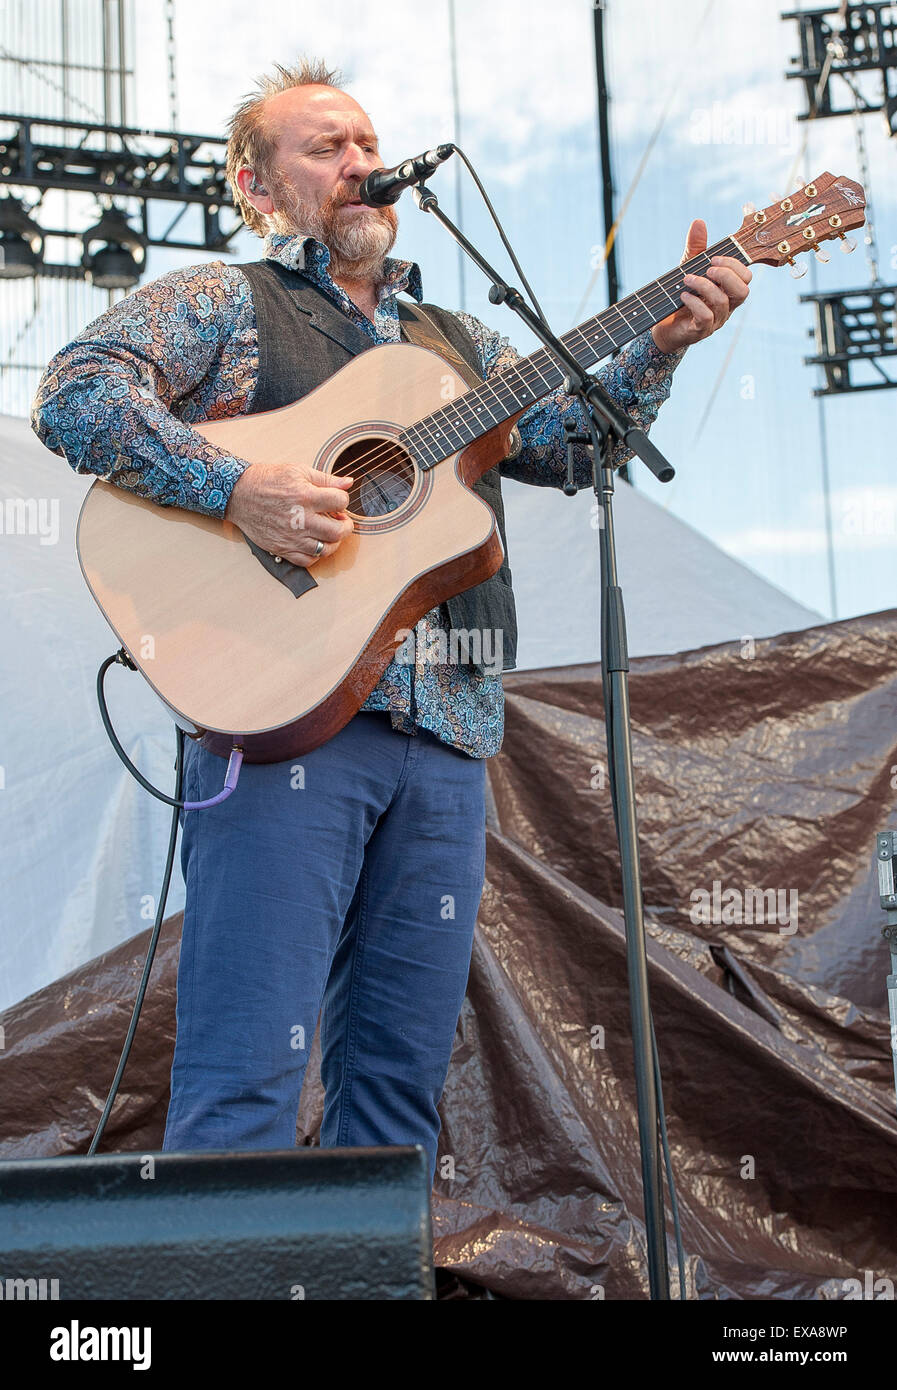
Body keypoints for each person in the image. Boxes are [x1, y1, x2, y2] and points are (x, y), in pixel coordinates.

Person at [31, 59, 751, 1187]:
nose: (361, 163)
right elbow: (76, 390)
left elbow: (574, 443)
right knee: (246, 1076)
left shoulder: (461, 340)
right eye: (325, 147)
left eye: (368, 143)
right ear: (258, 186)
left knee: (399, 1086)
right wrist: (237, 490)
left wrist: (660, 347)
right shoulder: (226, 301)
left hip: (450, 733)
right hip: (280, 707)